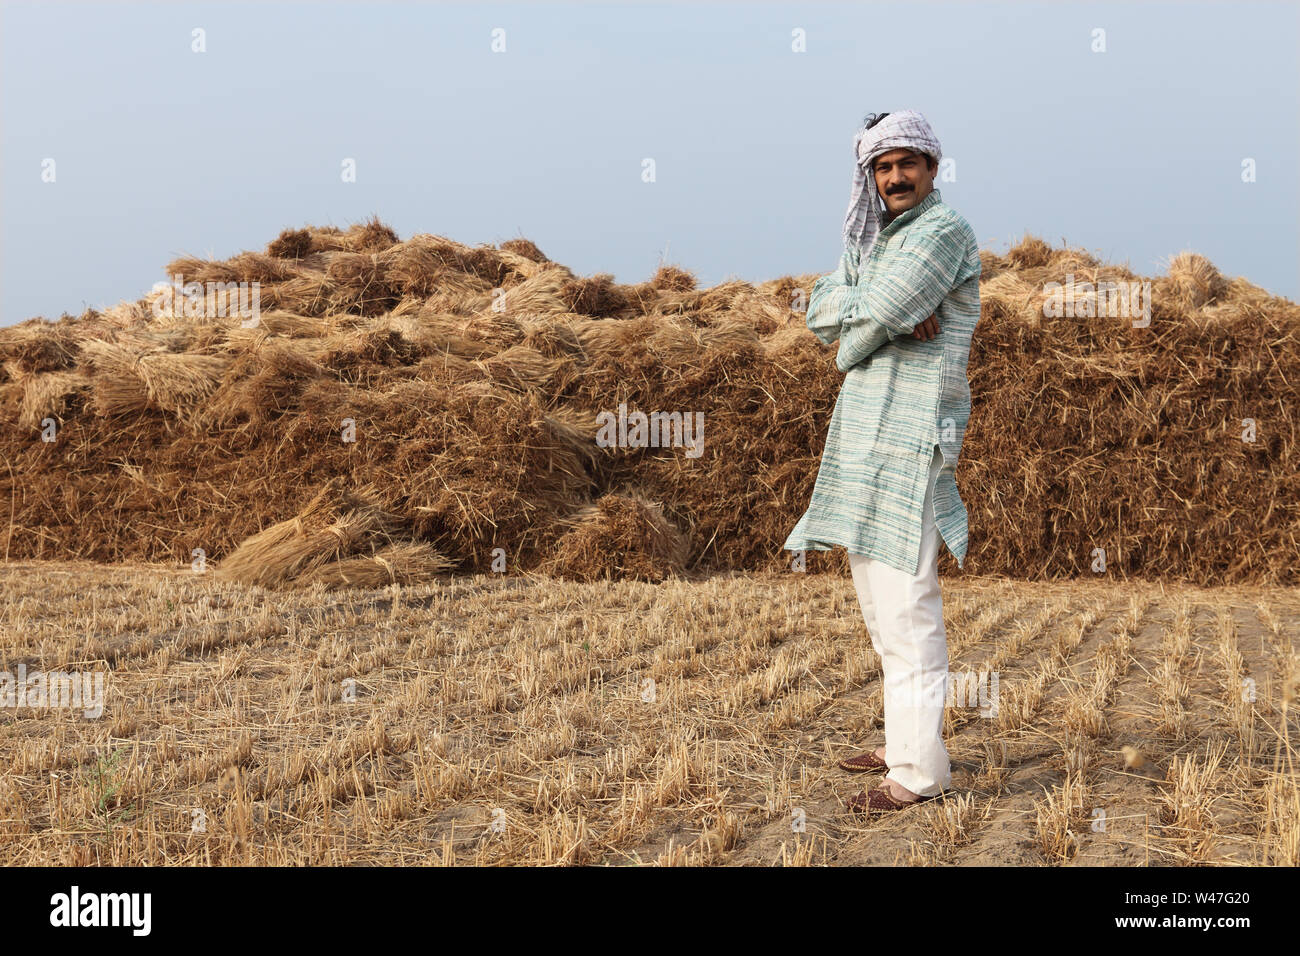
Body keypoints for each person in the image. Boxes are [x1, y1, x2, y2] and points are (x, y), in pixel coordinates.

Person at [782, 110, 981, 814]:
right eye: (882, 166)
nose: (895, 176)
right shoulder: (872, 238)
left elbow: (856, 323)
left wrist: (859, 329)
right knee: (879, 605)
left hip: (911, 436)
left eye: (908, 163)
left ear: (932, 168)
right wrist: (879, 316)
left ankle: (920, 774)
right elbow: (819, 307)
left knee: (909, 608)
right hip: (867, 434)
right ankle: (905, 743)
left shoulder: (941, 231)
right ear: (869, 175)